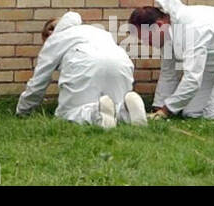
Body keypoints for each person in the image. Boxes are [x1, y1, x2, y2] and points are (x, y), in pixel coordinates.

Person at [16, 12, 147, 128]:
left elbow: (39, 82)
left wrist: (22, 111)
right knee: (114, 105)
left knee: (69, 113)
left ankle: (96, 113)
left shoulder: (54, 40)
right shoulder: (97, 31)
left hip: (84, 62)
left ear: (48, 34)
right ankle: (127, 110)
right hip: (121, 62)